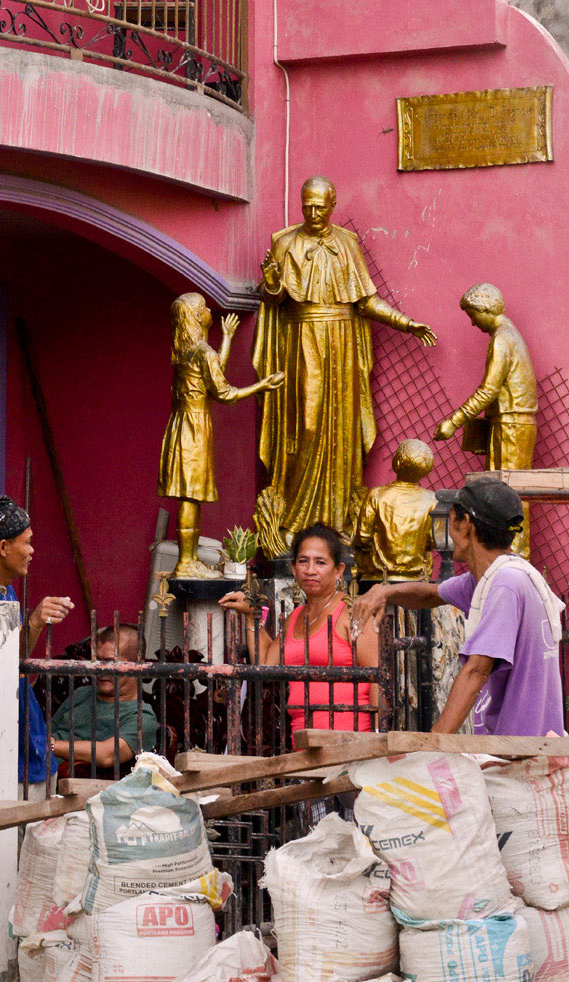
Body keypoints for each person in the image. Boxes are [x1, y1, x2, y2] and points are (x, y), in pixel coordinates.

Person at [252, 176, 435, 551]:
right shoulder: (284, 243)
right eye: (307, 206)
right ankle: (294, 520)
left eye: (320, 207)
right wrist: (271, 283)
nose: (313, 213)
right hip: (302, 342)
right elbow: (273, 301)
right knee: (305, 427)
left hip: (342, 347)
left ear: (332, 205)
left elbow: (365, 301)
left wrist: (406, 323)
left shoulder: (347, 244)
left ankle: (336, 522)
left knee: (341, 433)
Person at [349, 478, 564, 737]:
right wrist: (385, 591)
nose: (448, 531)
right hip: (527, 743)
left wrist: (433, 744)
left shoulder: (505, 583)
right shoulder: (498, 576)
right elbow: (430, 594)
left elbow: (476, 670)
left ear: (466, 525)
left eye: (451, 520)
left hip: (520, 747)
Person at [159, 293, 284, 578]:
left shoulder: (185, 352)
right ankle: (186, 562)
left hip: (182, 425)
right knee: (190, 496)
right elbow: (225, 393)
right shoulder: (201, 352)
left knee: (190, 497)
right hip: (194, 427)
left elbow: (214, 373)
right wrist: (262, 385)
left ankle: (189, 559)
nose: (209, 311)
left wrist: (226, 338)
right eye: (204, 308)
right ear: (195, 316)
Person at [220, 524, 380, 733]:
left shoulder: (352, 613)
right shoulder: (296, 617)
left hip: (351, 739)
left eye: (320, 562)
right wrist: (252, 616)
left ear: (338, 570)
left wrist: (378, 737)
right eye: (303, 561)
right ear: (294, 569)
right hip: (303, 740)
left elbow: (379, 677)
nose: (310, 570)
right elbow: (266, 664)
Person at [0, 495, 74, 794]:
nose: (31, 550)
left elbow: (14, 656)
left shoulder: (4, 591)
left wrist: (35, 623)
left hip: (25, 732)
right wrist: (35, 620)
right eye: (27, 542)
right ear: (3, 548)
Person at [434, 283, 539, 555]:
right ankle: (509, 556)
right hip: (511, 422)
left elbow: (488, 390)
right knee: (509, 493)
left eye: (473, 315)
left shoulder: (502, 339)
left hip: (510, 425)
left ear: (484, 309)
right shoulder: (509, 335)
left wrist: (454, 422)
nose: (473, 323)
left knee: (508, 496)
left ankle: (514, 557)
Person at [48, 624, 161, 777]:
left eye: (110, 662)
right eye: (97, 661)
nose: (100, 669)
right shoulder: (81, 694)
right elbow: (46, 732)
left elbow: (107, 755)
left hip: (67, 782)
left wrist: (48, 746)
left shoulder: (142, 717)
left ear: (137, 665)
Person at [352, 439, 437, 585]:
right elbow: (433, 541)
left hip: (378, 576)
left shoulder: (377, 495)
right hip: (417, 577)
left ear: (396, 463)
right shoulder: (431, 500)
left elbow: (363, 537)